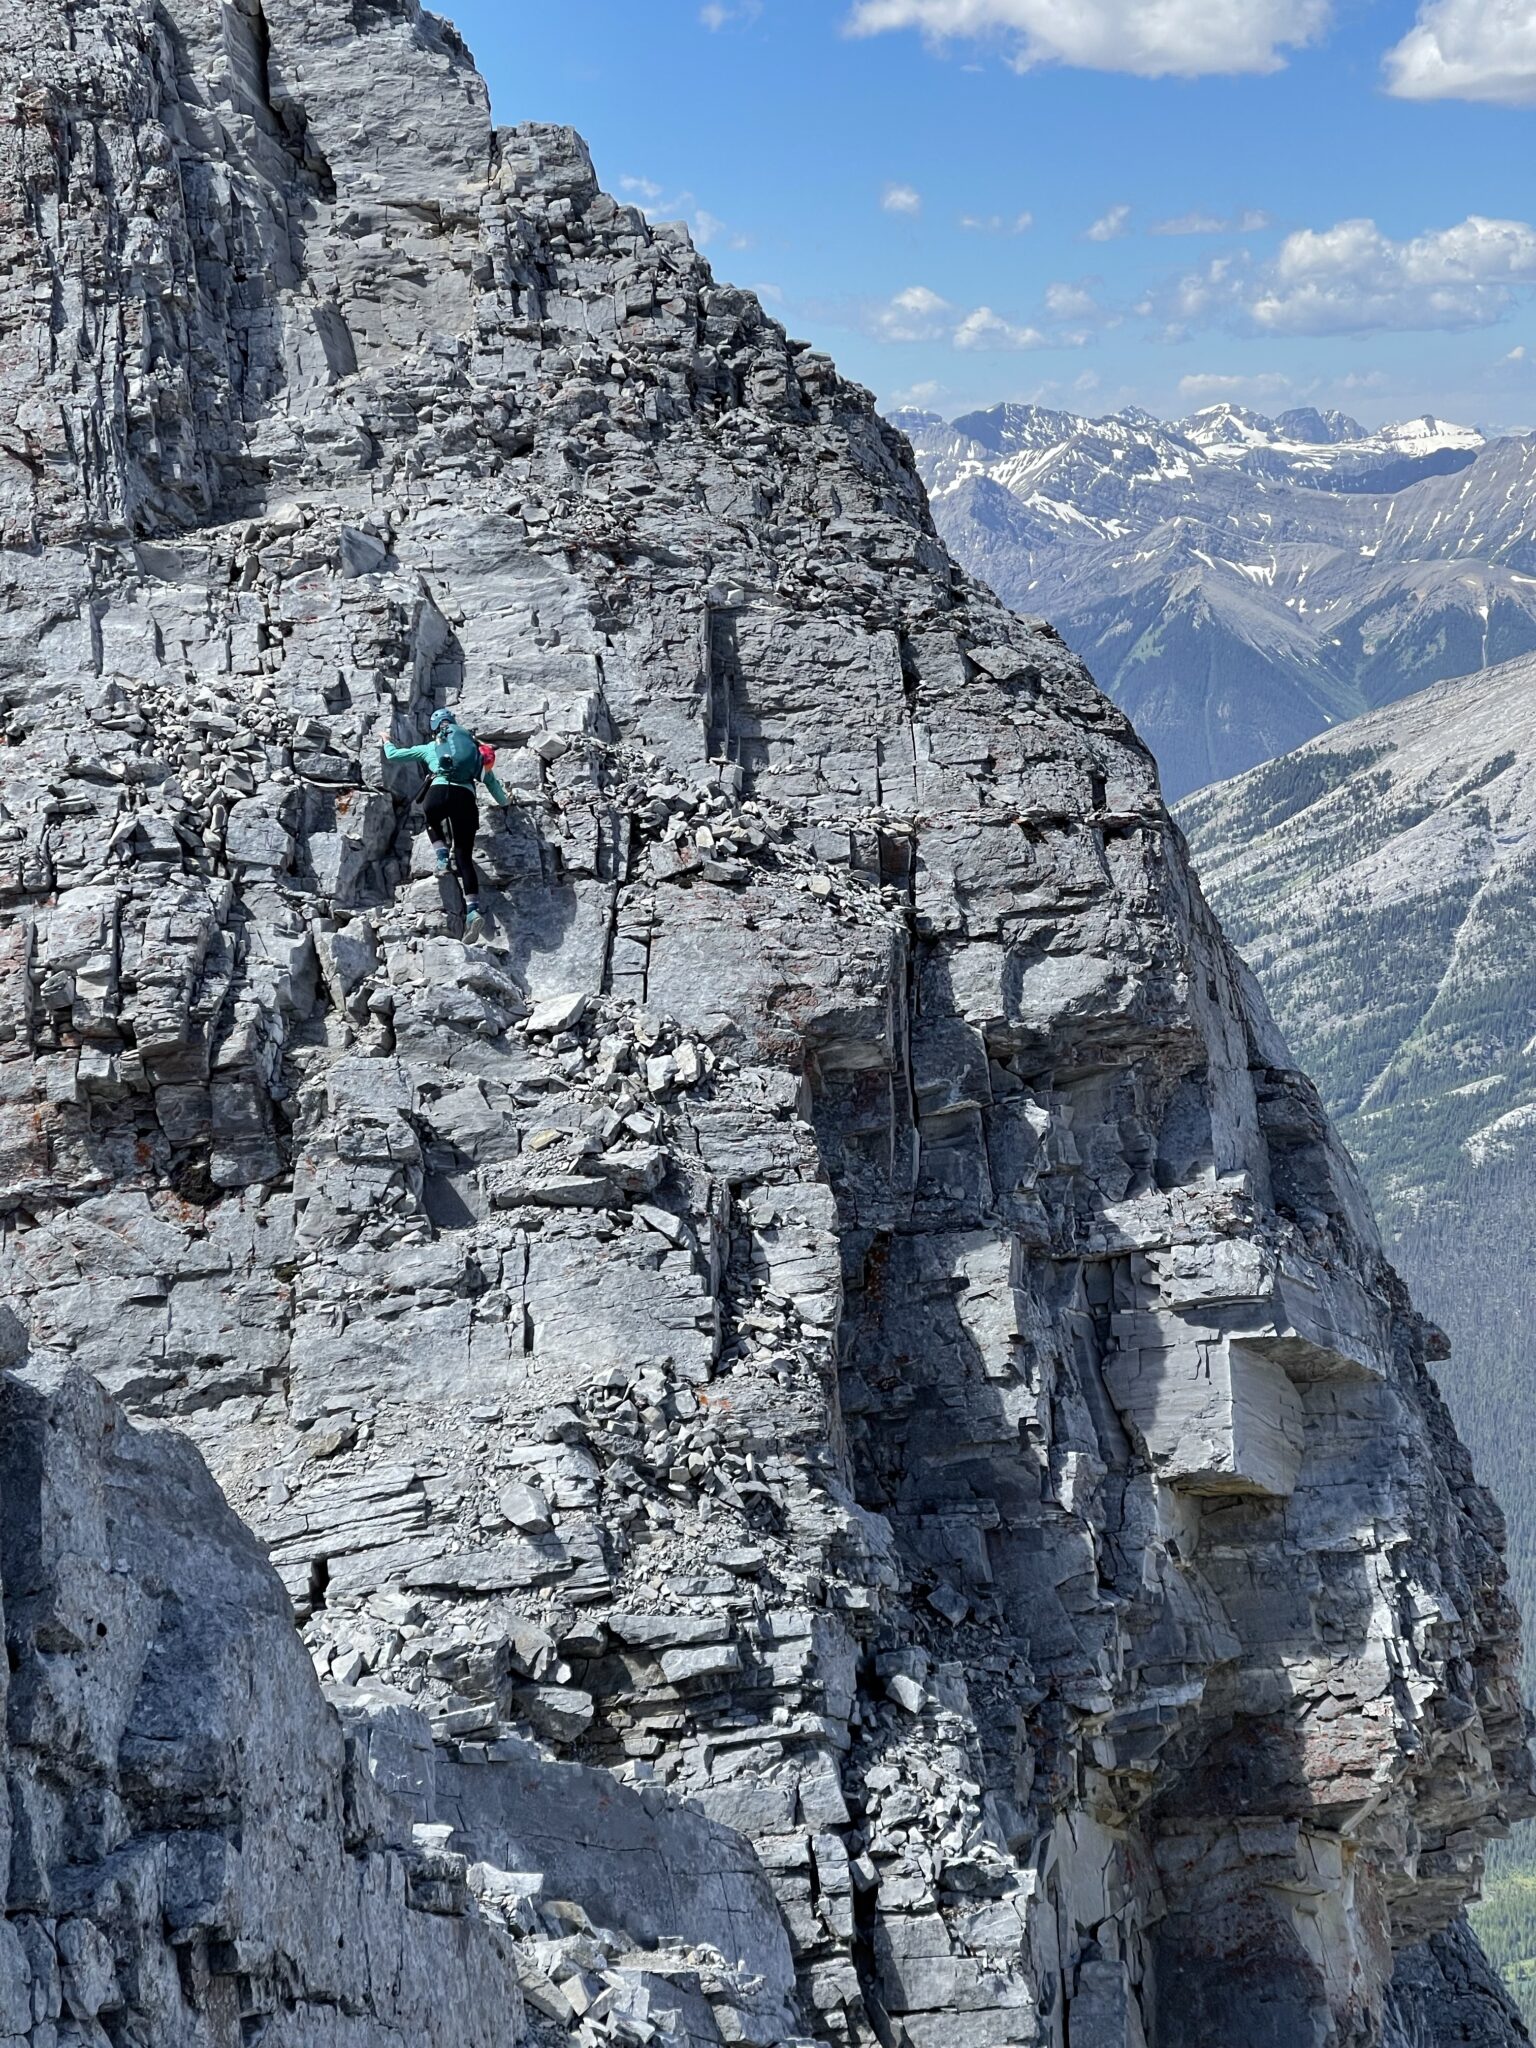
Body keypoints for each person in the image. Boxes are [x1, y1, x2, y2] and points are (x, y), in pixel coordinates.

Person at [383, 708, 511, 943]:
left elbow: (394, 756)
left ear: (435, 729)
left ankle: (441, 857)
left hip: (438, 793)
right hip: (465, 799)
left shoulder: (431, 748)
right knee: (464, 856)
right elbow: (492, 784)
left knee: (431, 818)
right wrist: (506, 803)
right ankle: (473, 911)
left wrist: (385, 741)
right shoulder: (474, 751)